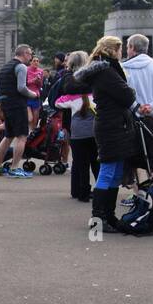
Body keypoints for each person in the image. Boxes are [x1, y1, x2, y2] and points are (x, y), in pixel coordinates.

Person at [64, 37, 141, 231]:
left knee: (114, 172)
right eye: (120, 49)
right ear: (113, 50)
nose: (122, 53)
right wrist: (129, 91)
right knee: (108, 171)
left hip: (112, 123)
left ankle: (108, 216)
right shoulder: (106, 71)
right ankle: (99, 218)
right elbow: (127, 95)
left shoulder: (104, 70)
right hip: (111, 125)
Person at [59, 50, 96, 201]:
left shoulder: (66, 78)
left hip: (72, 121)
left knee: (79, 160)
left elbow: (59, 99)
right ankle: (97, 190)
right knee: (94, 159)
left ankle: (78, 190)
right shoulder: (90, 79)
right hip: (90, 122)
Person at [0, 46, 35, 178]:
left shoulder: (5, 67)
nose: (31, 57)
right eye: (30, 54)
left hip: (6, 104)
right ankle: (14, 168)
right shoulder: (21, 67)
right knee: (22, 136)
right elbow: (21, 88)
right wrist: (33, 94)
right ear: (25, 53)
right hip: (17, 104)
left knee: (8, 136)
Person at [121, 34, 153, 129]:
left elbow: (122, 94)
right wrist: (151, 105)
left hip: (131, 121)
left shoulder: (123, 68)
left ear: (132, 47)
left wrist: (137, 108)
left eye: (127, 47)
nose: (127, 51)